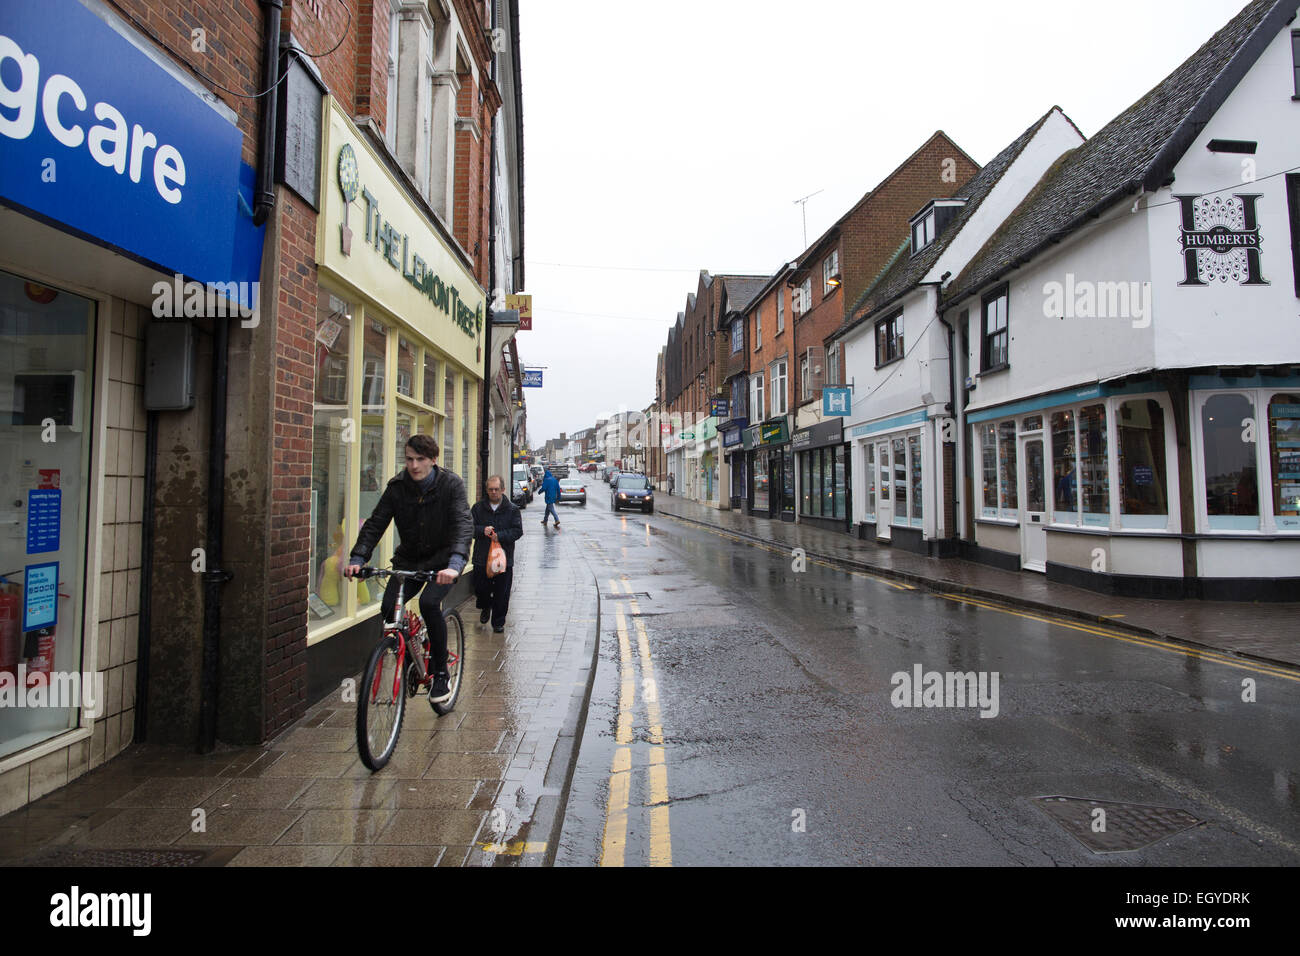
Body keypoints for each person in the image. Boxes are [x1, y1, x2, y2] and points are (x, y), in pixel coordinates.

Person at [344, 434, 471, 706]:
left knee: (428, 603)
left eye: (420, 460)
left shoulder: (451, 485)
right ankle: (411, 649)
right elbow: (375, 524)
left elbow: (462, 524)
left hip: (444, 561)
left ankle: (440, 672)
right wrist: (358, 557)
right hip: (409, 561)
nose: (414, 466)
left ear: (434, 460)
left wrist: (455, 564)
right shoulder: (397, 487)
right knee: (389, 608)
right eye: (409, 459)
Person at [471, 475, 523, 633]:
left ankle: (498, 622)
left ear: (503, 490)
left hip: (503, 559)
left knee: (502, 592)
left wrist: (499, 536)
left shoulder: (512, 509)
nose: (493, 492)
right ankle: (485, 606)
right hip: (482, 557)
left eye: (496, 489)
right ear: (486, 490)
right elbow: (468, 528)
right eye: (490, 489)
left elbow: (517, 531)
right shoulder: (477, 508)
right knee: (481, 589)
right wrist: (482, 530)